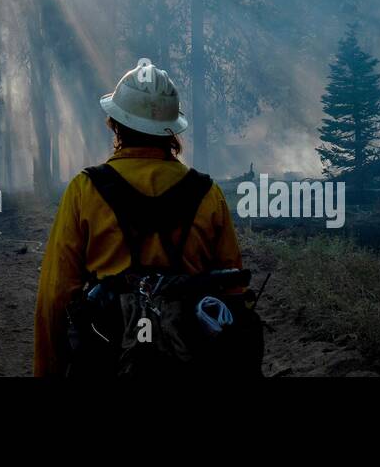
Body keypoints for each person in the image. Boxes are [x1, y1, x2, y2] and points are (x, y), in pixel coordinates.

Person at [33, 61, 244, 376]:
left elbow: (54, 296)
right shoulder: (207, 194)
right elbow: (233, 294)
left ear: (116, 124)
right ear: (171, 131)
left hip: (105, 358)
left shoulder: (84, 190)